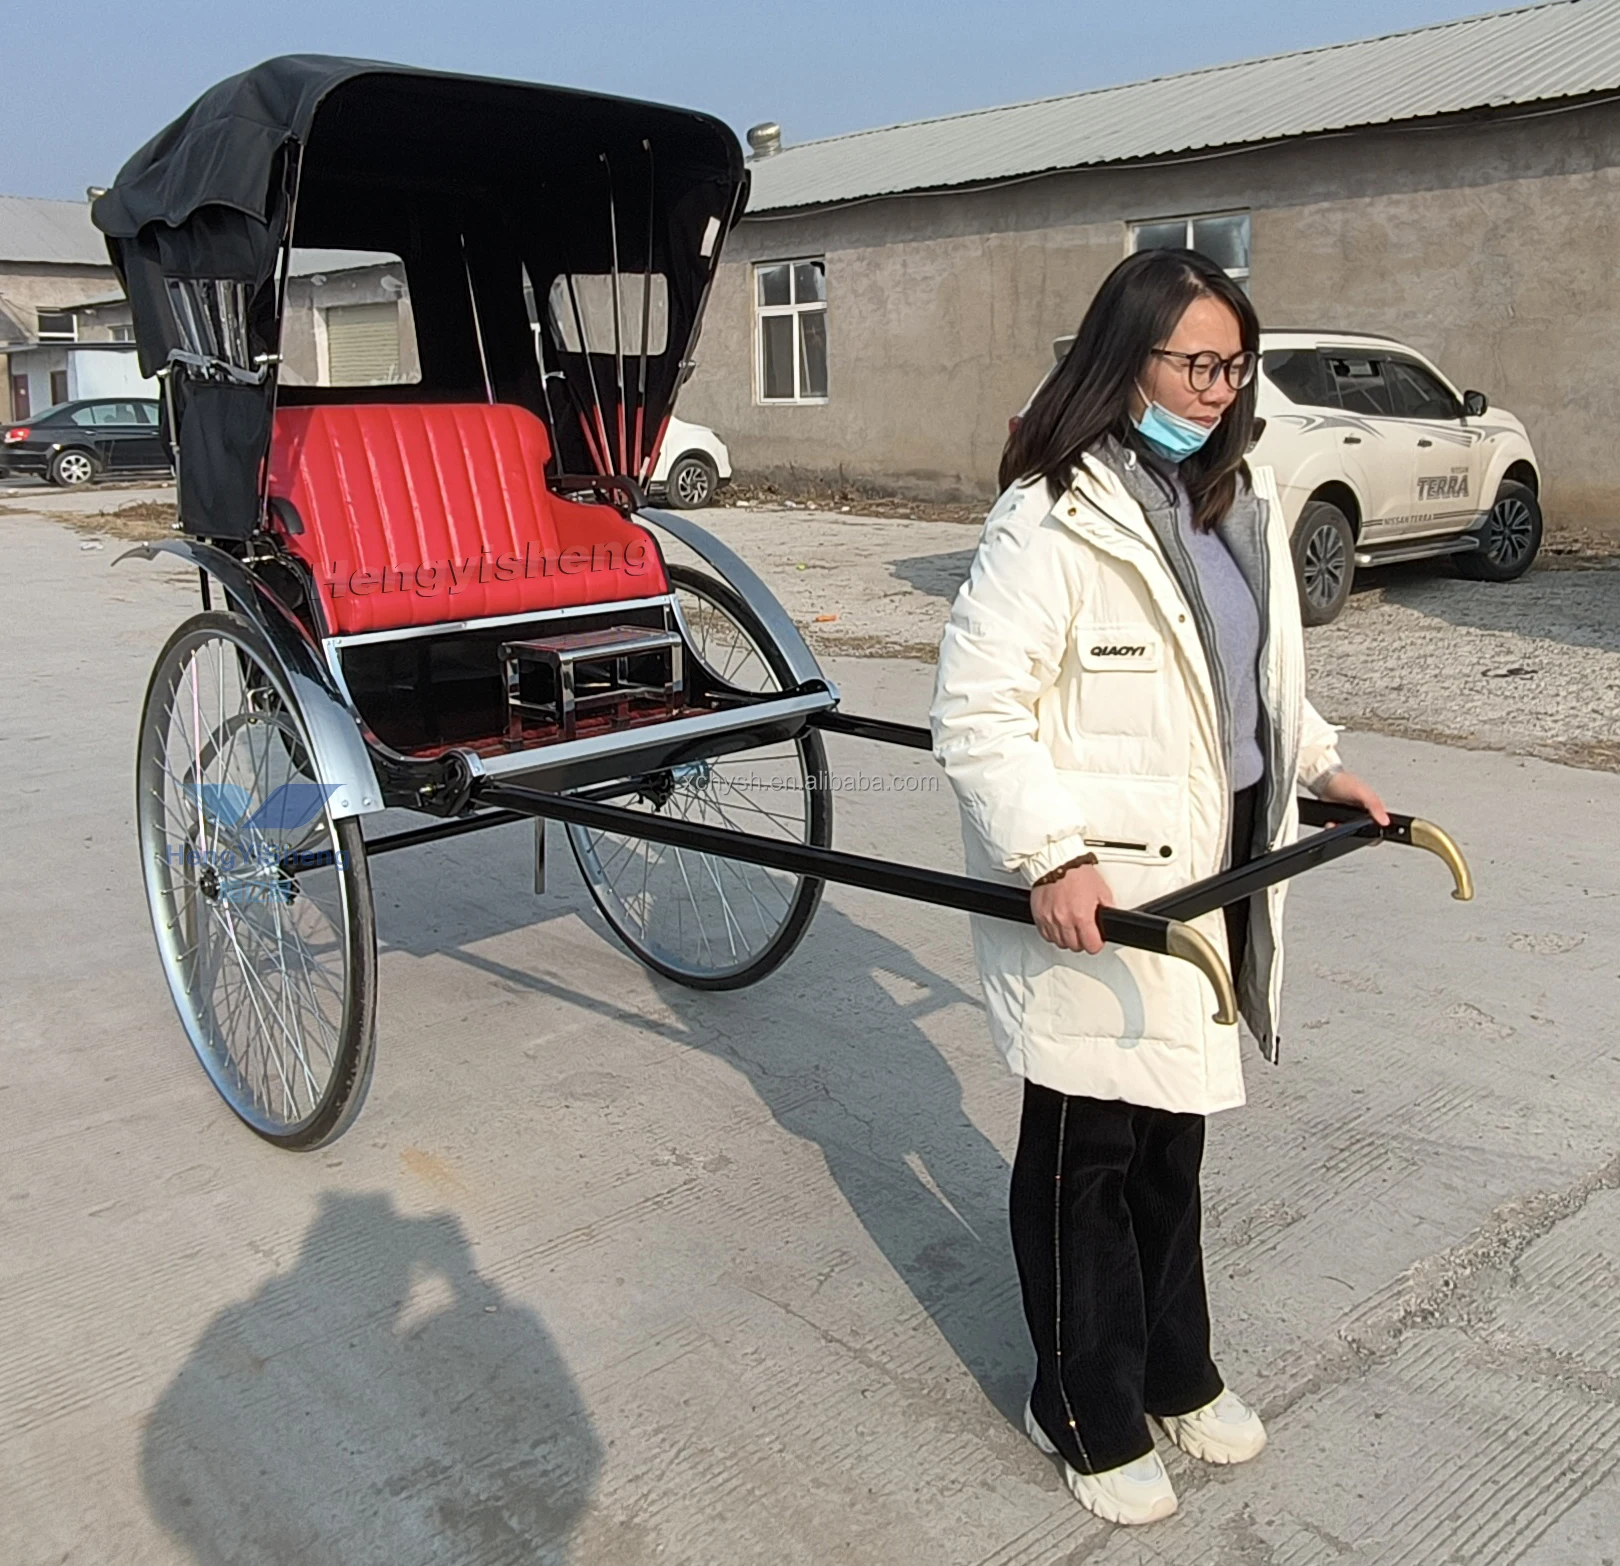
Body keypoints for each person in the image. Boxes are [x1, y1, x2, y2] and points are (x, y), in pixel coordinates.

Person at [929, 248, 1388, 1527]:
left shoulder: (1230, 498)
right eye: (1197, 363)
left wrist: (1323, 764)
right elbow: (976, 709)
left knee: (1172, 1137)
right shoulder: (1052, 516)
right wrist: (1049, 854)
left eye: (1234, 365)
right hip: (1105, 882)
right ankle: (1082, 1404)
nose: (1218, 387)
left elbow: (1257, 680)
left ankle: (1175, 1369)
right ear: (1125, 359)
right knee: (1087, 1152)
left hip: (1215, 859)